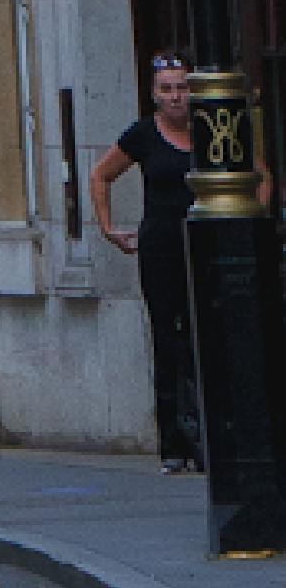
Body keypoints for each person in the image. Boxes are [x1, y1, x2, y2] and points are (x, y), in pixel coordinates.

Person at [96, 52, 202, 473]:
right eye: (168, 89)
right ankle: (173, 444)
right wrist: (108, 228)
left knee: (203, 337)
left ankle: (205, 438)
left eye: (182, 87)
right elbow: (100, 175)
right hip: (161, 247)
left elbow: (259, 174)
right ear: (155, 95)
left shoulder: (212, 131)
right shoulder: (142, 134)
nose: (176, 97)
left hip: (205, 245)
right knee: (167, 338)